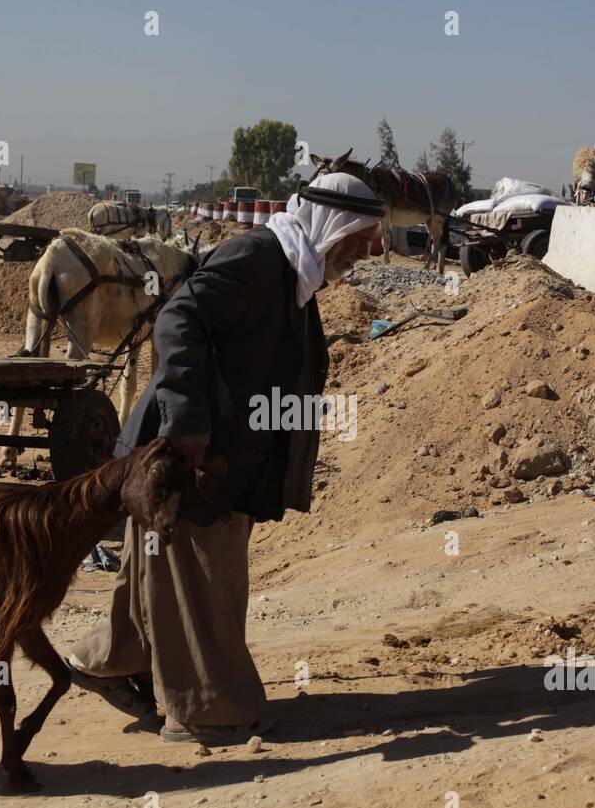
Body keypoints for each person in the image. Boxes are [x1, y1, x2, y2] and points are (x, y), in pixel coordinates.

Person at [64, 172, 384, 744]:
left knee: (159, 567)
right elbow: (176, 321)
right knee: (205, 578)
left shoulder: (294, 273)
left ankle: (110, 660)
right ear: (328, 224)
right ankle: (206, 711)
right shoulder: (258, 258)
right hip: (192, 454)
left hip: (227, 456)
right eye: (360, 236)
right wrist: (191, 427)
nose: (367, 251)